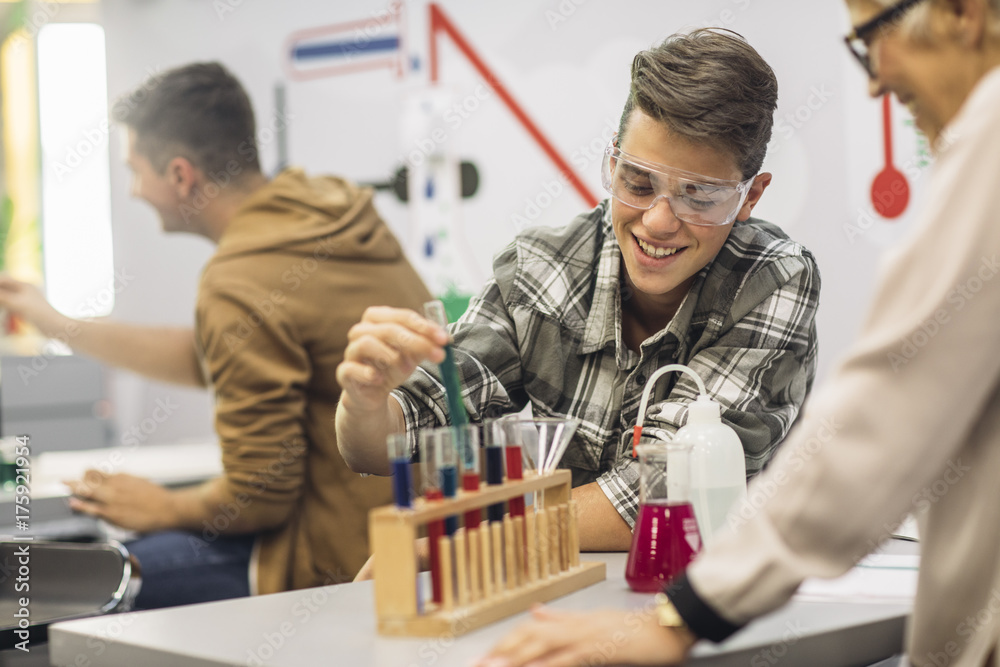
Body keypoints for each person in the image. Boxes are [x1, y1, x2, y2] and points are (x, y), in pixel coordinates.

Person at [475, 0, 1000, 665]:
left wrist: (680, 618)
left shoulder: (985, 142)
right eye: (638, 181)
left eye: (870, 35)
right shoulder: (540, 260)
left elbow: (884, 418)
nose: (872, 78)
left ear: (961, 12)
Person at [335, 28, 821, 554]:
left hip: (720, 607)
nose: (658, 221)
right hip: (568, 605)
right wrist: (364, 402)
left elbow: (665, 497)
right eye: (637, 181)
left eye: (699, 195)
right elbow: (390, 445)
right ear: (612, 162)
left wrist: (455, 543)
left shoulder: (774, 281)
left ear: (751, 195)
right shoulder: (540, 269)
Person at [0, 62, 432, 608]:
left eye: (136, 170)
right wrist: (58, 324)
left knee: (64, 584)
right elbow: (218, 352)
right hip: (419, 532)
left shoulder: (238, 280)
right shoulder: (327, 207)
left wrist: (163, 506)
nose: (134, 191)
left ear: (181, 175)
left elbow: (259, 496)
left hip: (338, 561)